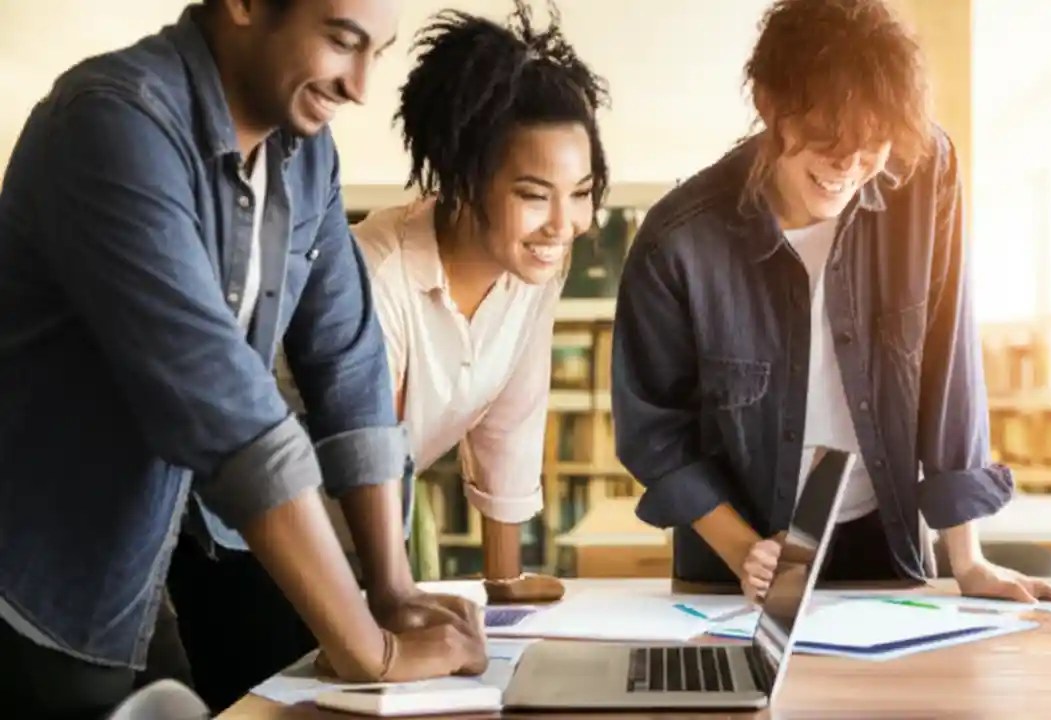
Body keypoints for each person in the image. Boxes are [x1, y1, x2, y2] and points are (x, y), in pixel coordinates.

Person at [0, 1, 486, 716]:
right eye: (341, 42)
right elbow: (226, 410)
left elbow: (348, 363)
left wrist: (392, 591)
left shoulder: (306, 152)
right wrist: (372, 652)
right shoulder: (109, 124)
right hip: (42, 583)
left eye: (376, 53)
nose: (359, 86)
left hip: (150, 564)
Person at [611, 0, 1051, 606]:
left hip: (883, 538)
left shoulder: (923, 171)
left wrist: (968, 560)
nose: (849, 167)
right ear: (770, 107)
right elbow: (653, 428)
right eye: (828, 141)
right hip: (736, 557)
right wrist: (744, 551)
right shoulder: (679, 239)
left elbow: (946, 356)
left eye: (872, 145)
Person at [350, 0, 609, 604]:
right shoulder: (376, 275)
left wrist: (504, 581)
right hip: (261, 544)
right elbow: (366, 461)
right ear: (464, 179)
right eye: (534, 194)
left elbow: (511, 419)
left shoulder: (535, 270)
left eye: (581, 194)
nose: (563, 224)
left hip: (366, 546)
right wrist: (392, 604)